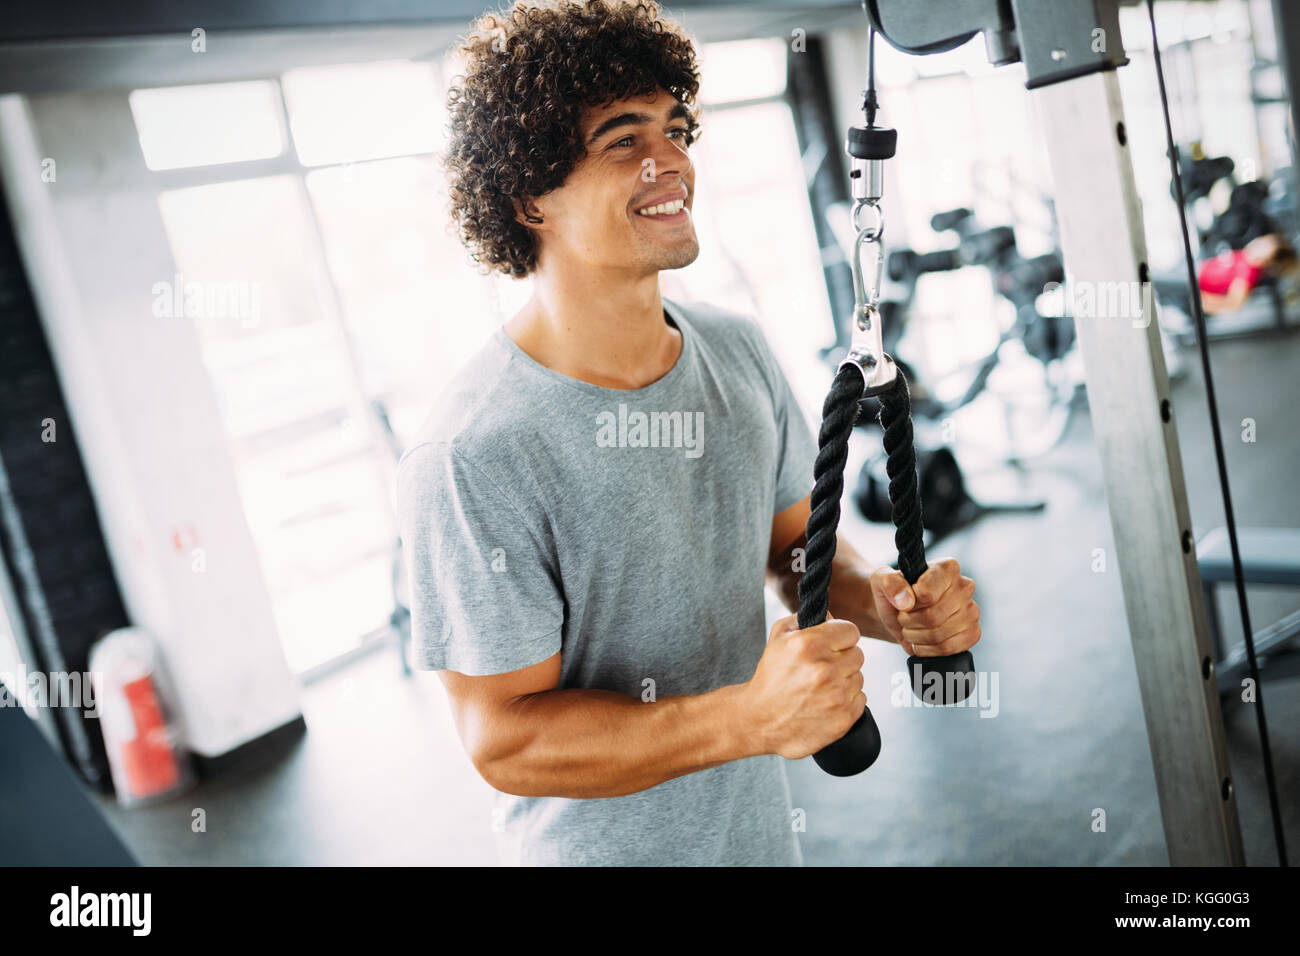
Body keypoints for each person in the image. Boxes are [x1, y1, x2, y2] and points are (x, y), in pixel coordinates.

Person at [395, 0, 981, 866]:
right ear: (528, 197)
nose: (670, 161)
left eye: (675, 128)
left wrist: (894, 609)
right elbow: (505, 740)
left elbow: (795, 556)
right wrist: (745, 718)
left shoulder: (736, 350)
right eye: (622, 140)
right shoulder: (473, 454)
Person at [1197, 231, 1299, 314]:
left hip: (1193, 287)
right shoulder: (1243, 256)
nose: (1256, 243)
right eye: (1261, 242)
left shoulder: (1247, 274)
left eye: (1263, 248)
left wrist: (1202, 302)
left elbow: (1234, 303)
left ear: (1268, 260)